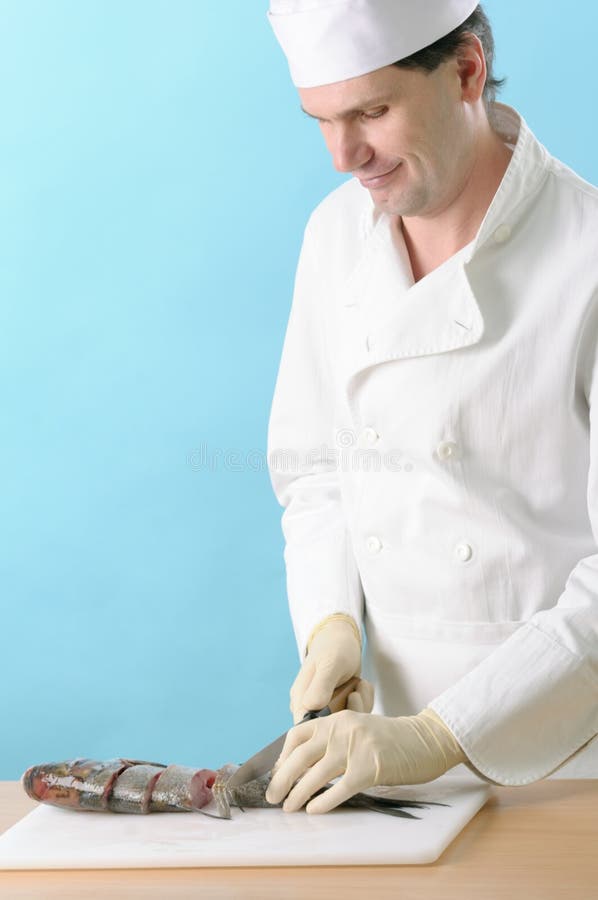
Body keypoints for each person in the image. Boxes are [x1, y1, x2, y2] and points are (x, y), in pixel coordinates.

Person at [263, 0, 598, 815]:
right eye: (321, 120)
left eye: (371, 112)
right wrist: (332, 624)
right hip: (379, 763)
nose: (345, 156)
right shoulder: (335, 235)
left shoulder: (587, 258)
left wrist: (445, 736)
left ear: (466, 72)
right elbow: (315, 472)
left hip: (568, 760)